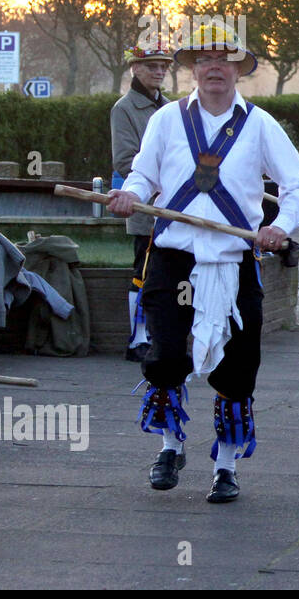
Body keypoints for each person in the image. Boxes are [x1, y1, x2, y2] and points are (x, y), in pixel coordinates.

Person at [106, 24, 299, 504]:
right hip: (174, 259)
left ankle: (225, 466)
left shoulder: (260, 125)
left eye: (224, 58)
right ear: (192, 69)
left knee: (237, 368)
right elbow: (143, 173)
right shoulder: (167, 120)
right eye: (204, 59)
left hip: (234, 261)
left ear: (239, 68)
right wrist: (131, 196)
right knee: (166, 356)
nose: (214, 67)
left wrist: (281, 227)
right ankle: (170, 446)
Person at [110, 46, 171, 363]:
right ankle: (137, 340)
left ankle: (162, 335)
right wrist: (158, 180)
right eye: (152, 67)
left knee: (169, 274)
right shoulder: (125, 109)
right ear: (135, 68)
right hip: (145, 206)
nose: (159, 72)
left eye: (163, 67)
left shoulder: (174, 108)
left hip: (175, 208)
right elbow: (124, 161)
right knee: (142, 273)